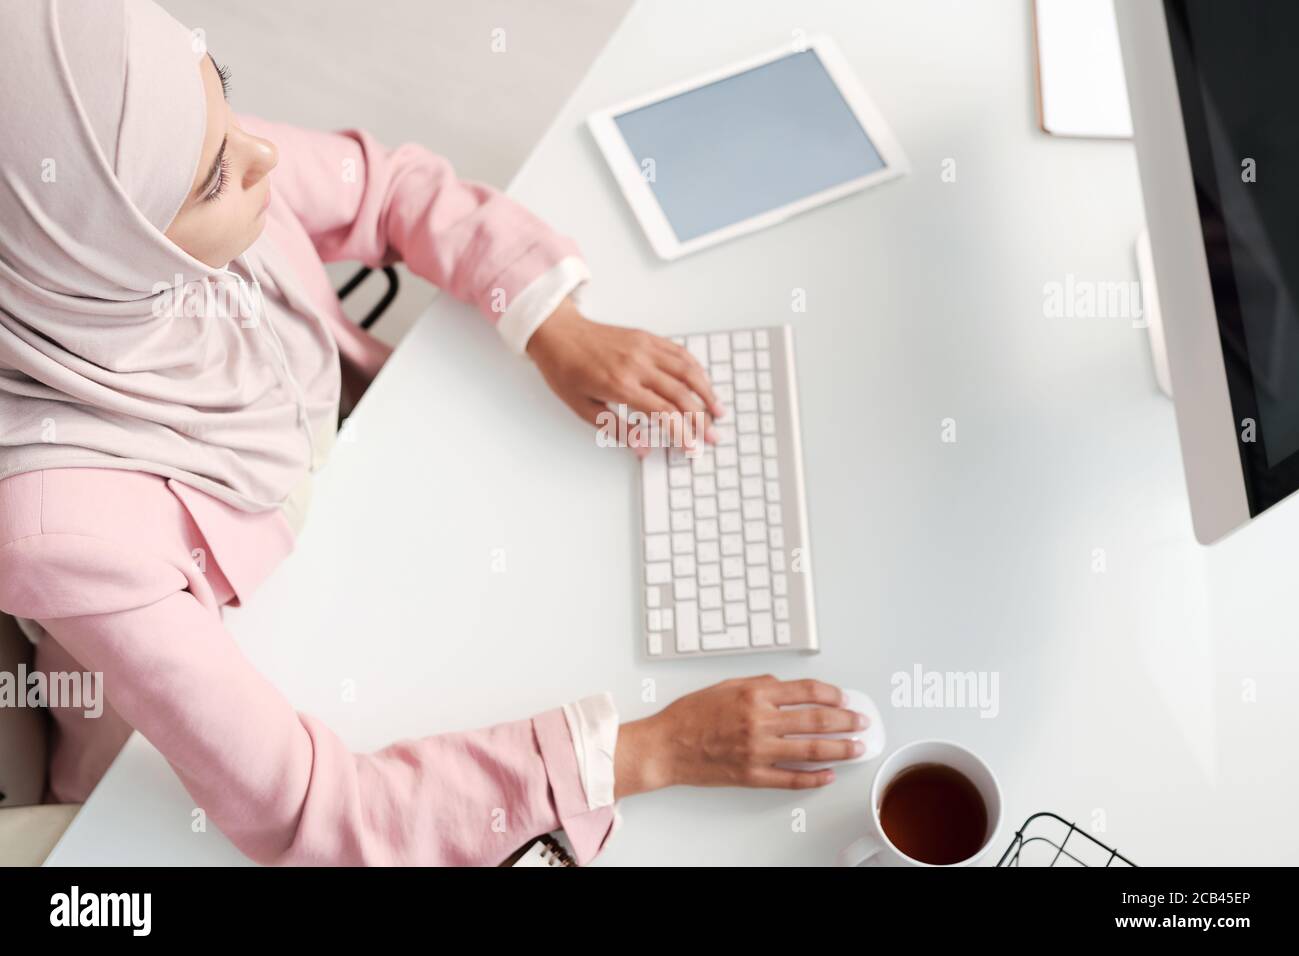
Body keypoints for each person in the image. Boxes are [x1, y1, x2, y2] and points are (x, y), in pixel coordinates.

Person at [0, 0, 867, 865]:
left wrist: (550, 325)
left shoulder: (163, 163)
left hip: (373, 526)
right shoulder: (65, 533)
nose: (259, 152)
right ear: (94, 251)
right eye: (215, 178)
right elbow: (318, 812)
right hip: (191, 779)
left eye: (220, 96)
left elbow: (387, 189)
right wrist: (655, 751)